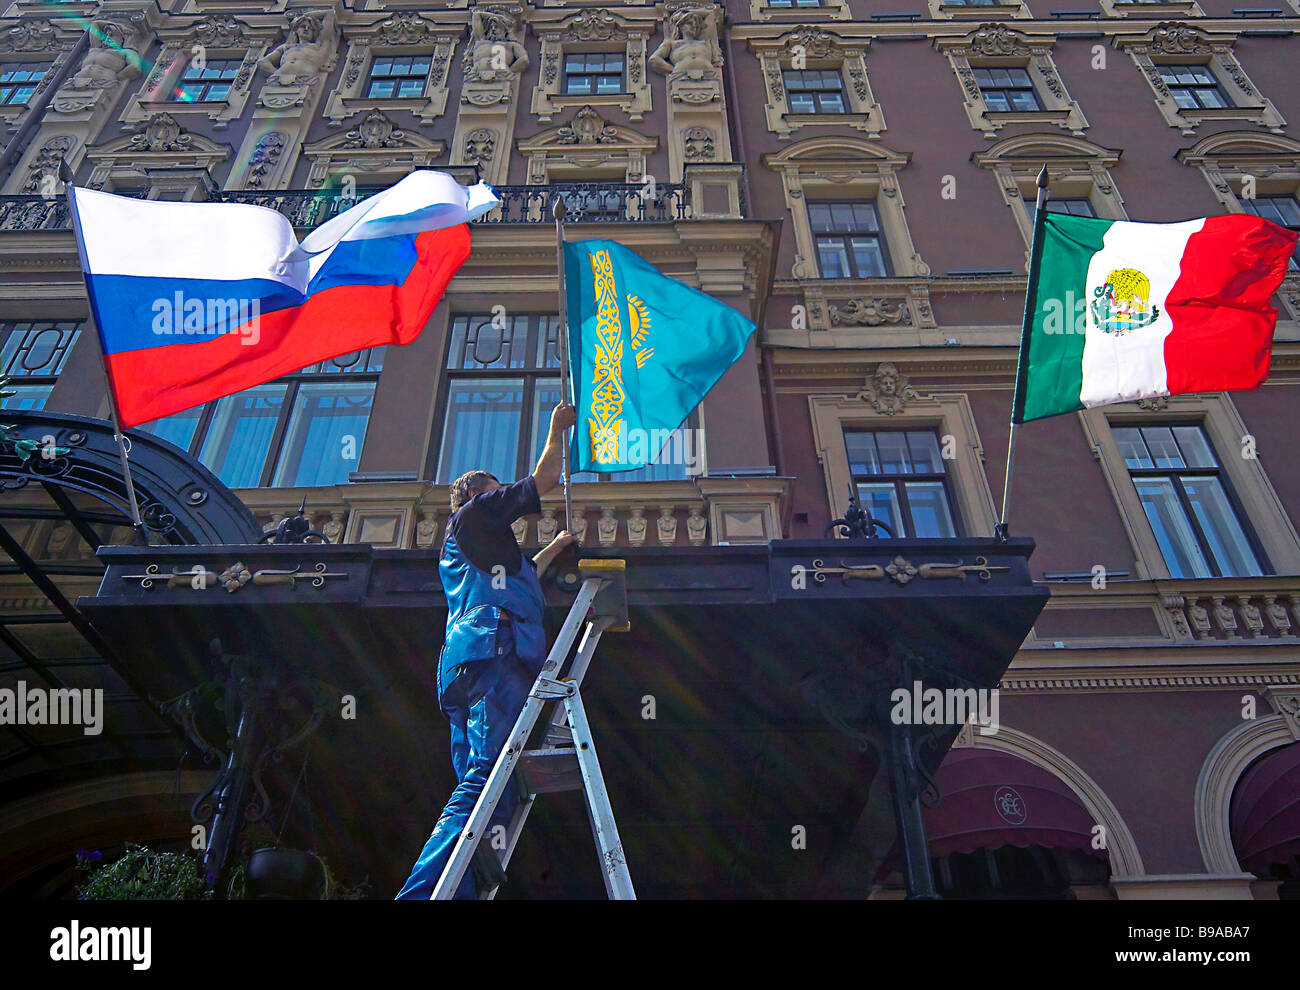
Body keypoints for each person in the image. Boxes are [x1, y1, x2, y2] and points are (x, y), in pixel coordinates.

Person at [397, 400, 578, 899]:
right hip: (494, 656)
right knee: (485, 779)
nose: (505, 500)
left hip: (470, 662)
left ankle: (453, 889)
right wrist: (555, 429)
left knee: (484, 788)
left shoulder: (479, 547)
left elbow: (519, 577)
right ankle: (422, 895)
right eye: (496, 491)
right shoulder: (476, 514)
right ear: (477, 493)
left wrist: (554, 549)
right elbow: (541, 481)